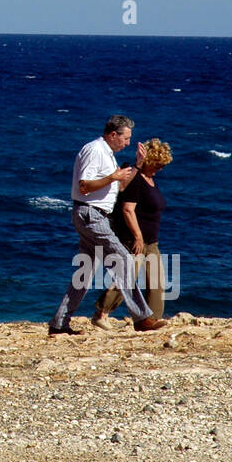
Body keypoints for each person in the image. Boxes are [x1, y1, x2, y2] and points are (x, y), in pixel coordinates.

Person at [48, 115, 168, 335]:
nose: (128, 142)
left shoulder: (108, 154)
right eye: (126, 138)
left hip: (95, 215)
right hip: (91, 214)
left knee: (84, 273)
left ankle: (59, 324)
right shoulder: (95, 150)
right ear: (113, 134)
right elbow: (85, 186)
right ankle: (141, 318)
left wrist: (137, 165)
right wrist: (112, 176)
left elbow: (120, 186)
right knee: (124, 259)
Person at [92, 139, 173, 328]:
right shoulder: (135, 180)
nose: (160, 169)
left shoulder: (150, 180)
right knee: (126, 280)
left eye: (162, 165)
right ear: (149, 161)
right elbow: (128, 209)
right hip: (135, 240)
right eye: (158, 165)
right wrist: (137, 236)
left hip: (151, 241)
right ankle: (101, 314)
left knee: (157, 282)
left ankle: (149, 319)